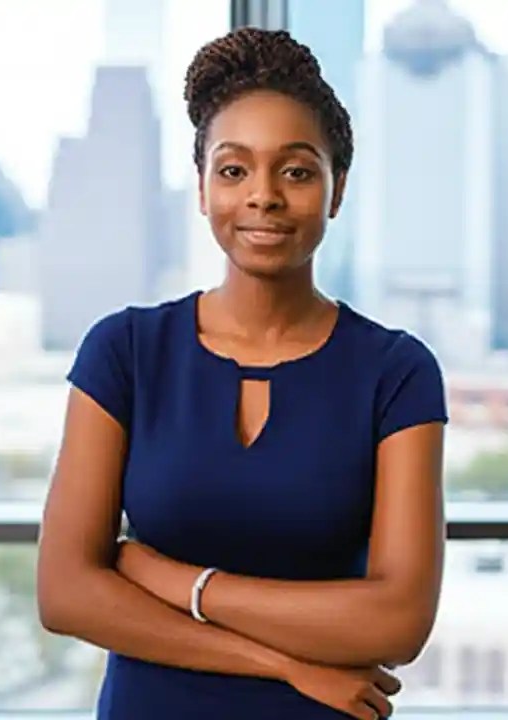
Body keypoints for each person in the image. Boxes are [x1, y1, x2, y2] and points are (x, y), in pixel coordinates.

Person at [36, 26, 448, 720]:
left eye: (296, 170)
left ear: (335, 189)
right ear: (202, 187)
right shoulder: (125, 352)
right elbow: (65, 593)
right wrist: (285, 665)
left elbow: (398, 622)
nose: (264, 196)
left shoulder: (396, 373)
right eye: (233, 170)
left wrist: (169, 578)